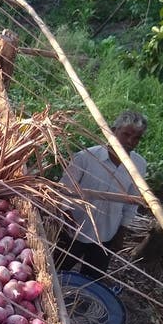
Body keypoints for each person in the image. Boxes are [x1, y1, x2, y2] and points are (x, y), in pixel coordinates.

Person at [55, 110, 148, 280]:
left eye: (136, 138)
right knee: (56, 271)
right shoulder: (86, 157)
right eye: (126, 134)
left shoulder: (139, 165)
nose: (130, 142)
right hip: (75, 229)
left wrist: (121, 232)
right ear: (112, 131)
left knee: (91, 282)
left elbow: (131, 203)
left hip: (107, 234)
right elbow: (64, 190)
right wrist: (67, 216)